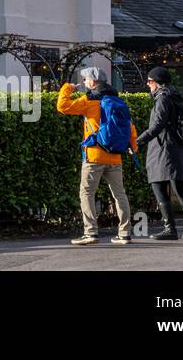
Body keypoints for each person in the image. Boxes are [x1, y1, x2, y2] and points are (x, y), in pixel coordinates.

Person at [57, 66, 138, 246]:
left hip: (94, 156)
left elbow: (62, 107)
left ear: (93, 82)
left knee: (86, 193)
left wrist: (68, 88)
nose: (84, 82)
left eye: (85, 80)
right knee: (119, 194)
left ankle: (90, 233)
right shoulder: (117, 100)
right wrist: (133, 145)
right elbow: (130, 127)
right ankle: (125, 234)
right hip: (115, 156)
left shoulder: (88, 100)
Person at [136, 67, 183, 240]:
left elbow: (157, 125)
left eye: (149, 81)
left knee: (159, 187)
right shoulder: (175, 97)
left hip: (164, 150)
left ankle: (170, 229)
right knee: (180, 189)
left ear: (157, 82)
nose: (148, 85)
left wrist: (137, 142)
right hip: (176, 148)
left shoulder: (162, 99)